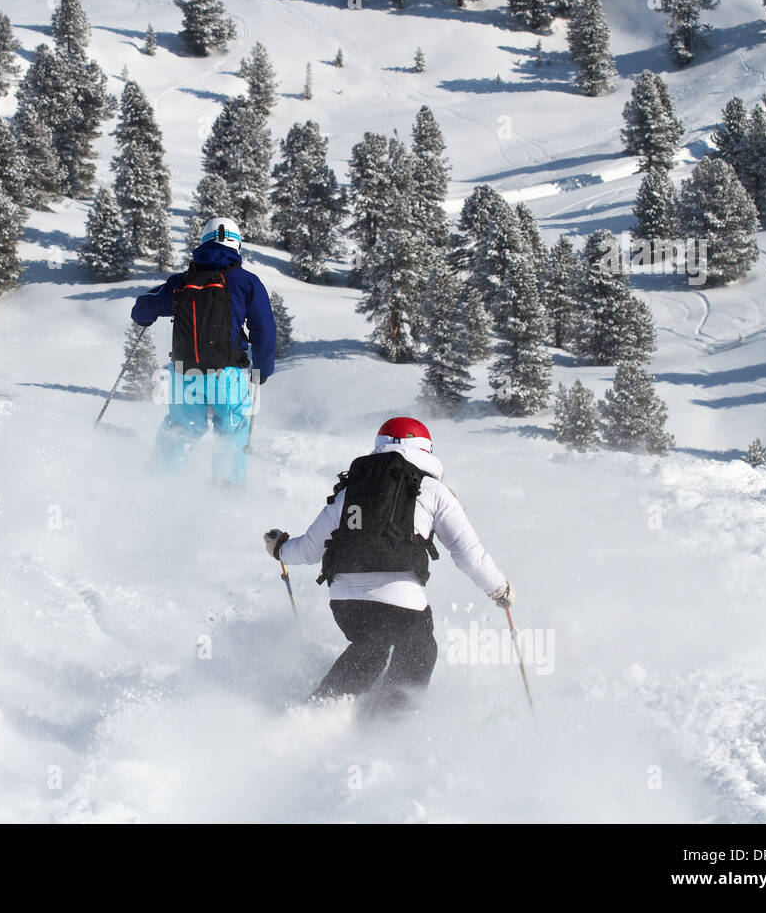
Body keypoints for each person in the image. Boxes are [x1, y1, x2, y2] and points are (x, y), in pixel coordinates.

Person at [262, 417, 512, 711]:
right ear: (426, 450)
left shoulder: (350, 490)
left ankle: (316, 712)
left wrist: (280, 550)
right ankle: (386, 729)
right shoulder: (433, 490)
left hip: (345, 602)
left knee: (370, 649)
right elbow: (468, 554)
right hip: (401, 601)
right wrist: (499, 589)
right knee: (418, 650)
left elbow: (308, 549)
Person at [131, 217, 275, 486]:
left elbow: (142, 311)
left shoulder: (182, 281)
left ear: (203, 243)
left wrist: (146, 312)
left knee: (182, 429)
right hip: (227, 375)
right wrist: (262, 369)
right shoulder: (247, 282)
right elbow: (263, 330)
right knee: (232, 432)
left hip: (185, 373)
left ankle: (158, 484)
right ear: (237, 244)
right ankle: (227, 489)